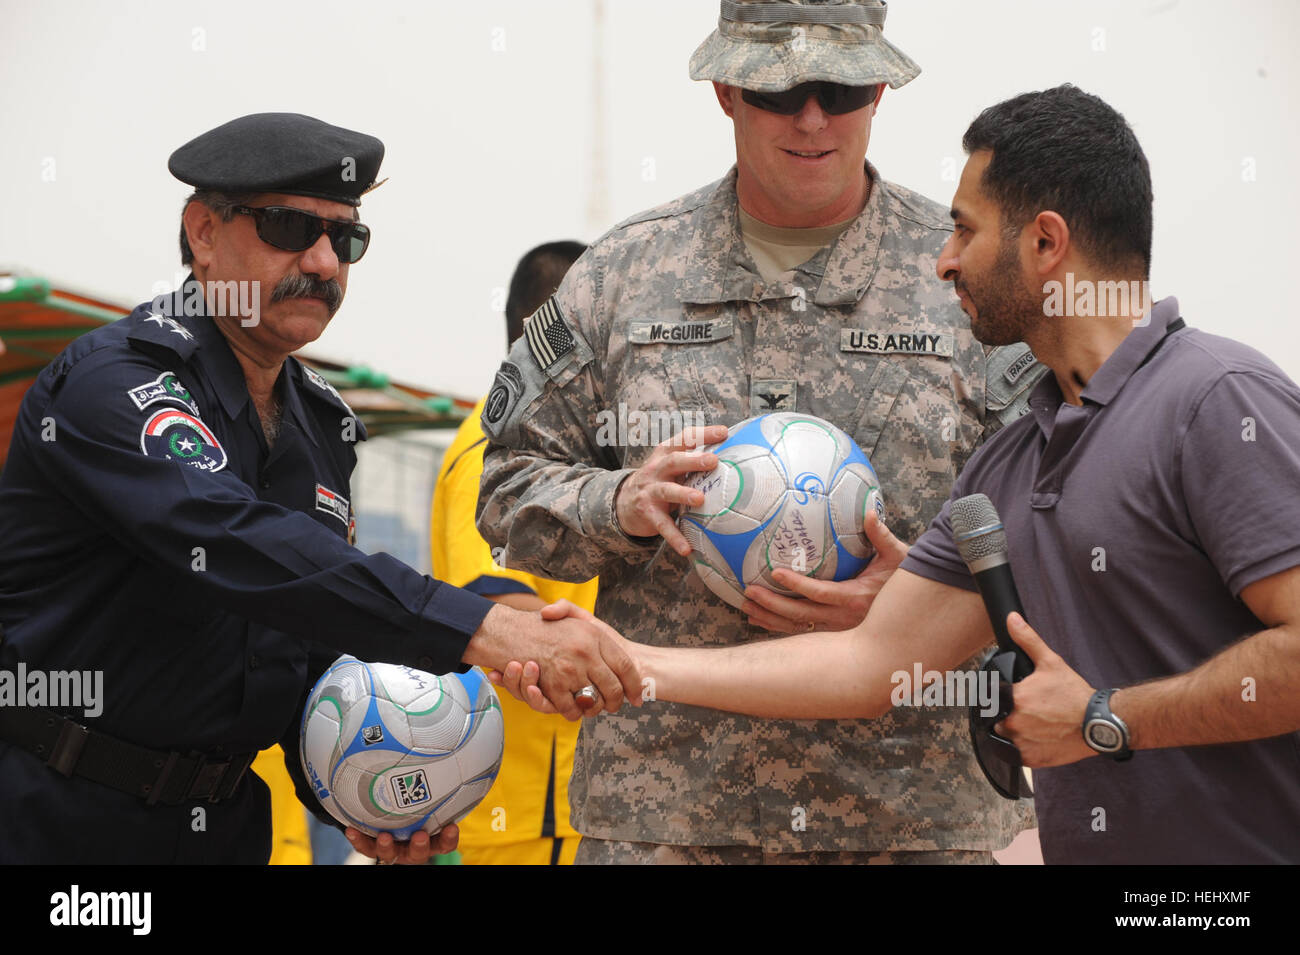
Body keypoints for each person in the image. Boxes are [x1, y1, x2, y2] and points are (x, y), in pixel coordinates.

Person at [513, 84, 1300, 863]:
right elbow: (870, 663)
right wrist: (627, 659)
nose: (945, 259)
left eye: (965, 231)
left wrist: (1106, 715)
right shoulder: (1019, 458)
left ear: (1046, 242)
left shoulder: (1214, 401)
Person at [478, 0, 1043, 864]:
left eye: (841, 86)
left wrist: (923, 598)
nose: (813, 117)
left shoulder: (968, 278)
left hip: (910, 816)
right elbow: (507, 486)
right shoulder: (623, 278)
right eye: (780, 90)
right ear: (727, 90)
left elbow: (1068, 520)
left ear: (881, 89)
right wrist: (619, 501)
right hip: (667, 817)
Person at [0, 113, 639, 865]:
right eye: (289, 227)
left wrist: (358, 793)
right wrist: (486, 627)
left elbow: (294, 650)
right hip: (61, 822)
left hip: (226, 829)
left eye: (345, 238)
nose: (325, 262)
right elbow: (234, 539)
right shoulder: (117, 382)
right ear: (203, 232)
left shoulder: (320, 425)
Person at [431, 241, 593, 865]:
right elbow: (500, 607)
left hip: (578, 810)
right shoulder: (490, 448)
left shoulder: (575, 448)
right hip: (529, 818)